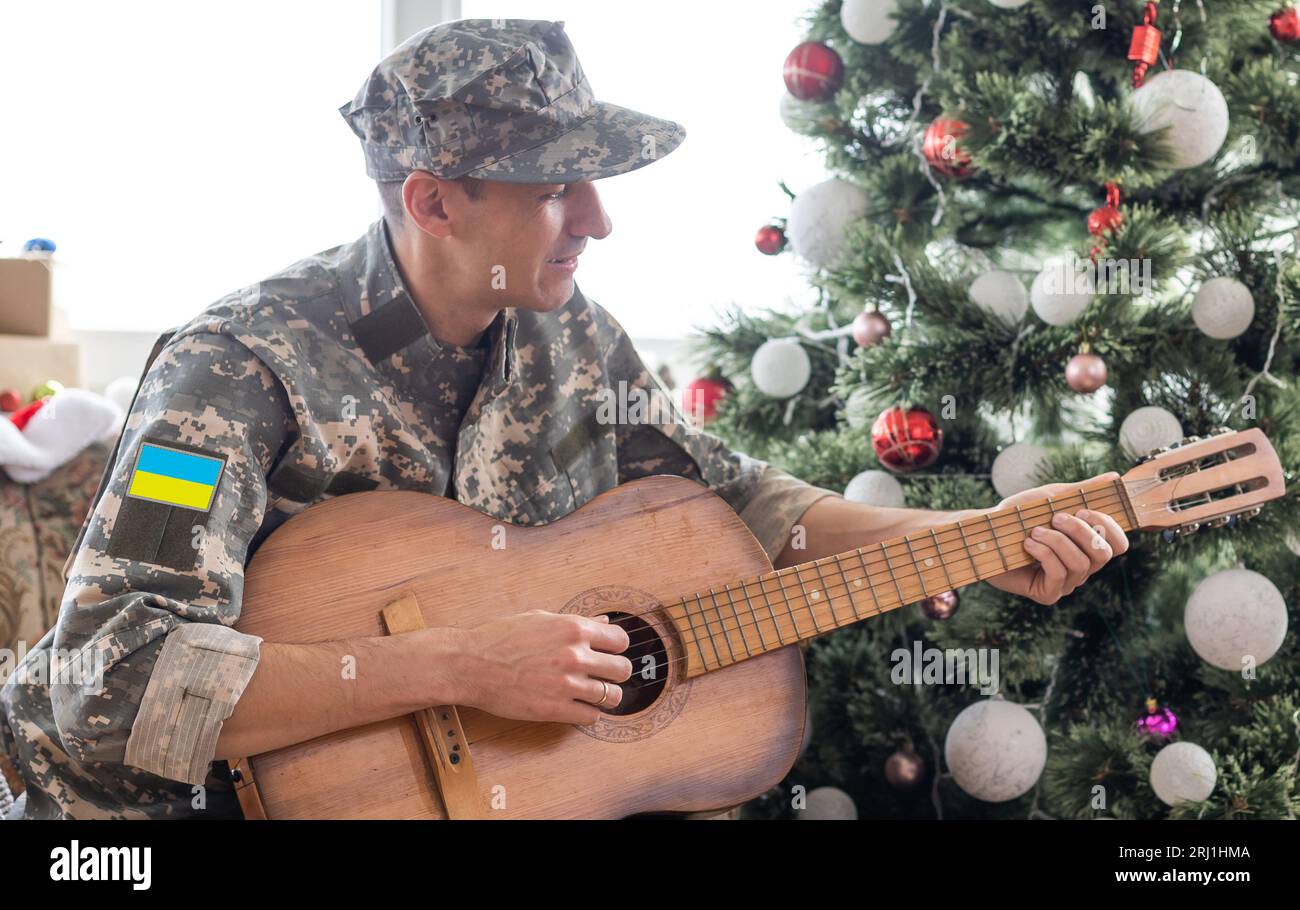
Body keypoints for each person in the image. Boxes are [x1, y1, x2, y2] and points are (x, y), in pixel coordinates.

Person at [0, 18, 1128, 819]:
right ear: (432, 200)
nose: (595, 220)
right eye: (554, 186)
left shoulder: (564, 326)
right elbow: (113, 684)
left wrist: (975, 536)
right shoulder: (228, 369)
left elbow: (739, 500)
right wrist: (462, 666)